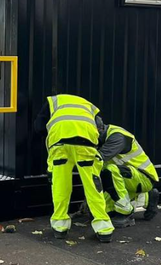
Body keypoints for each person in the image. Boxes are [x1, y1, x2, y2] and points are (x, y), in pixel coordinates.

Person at [34, 94, 114, 242]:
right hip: (86, 143)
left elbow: (39, 127)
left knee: (60, 185)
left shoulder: (52, 102)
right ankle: (104, 229)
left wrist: (50, 136)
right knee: (92, 185)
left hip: (60, 144)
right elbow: (100, 129)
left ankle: (60, 227)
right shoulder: (88, 105)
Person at [97, 120, 160, 228]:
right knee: (105, 211)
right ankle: (147, 197)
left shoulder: (117, 137)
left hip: (144, 177)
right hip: (127, 179)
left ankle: (125, 213)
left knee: (109, 170)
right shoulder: (101, 138)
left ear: (98, 130)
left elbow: (98, 159)